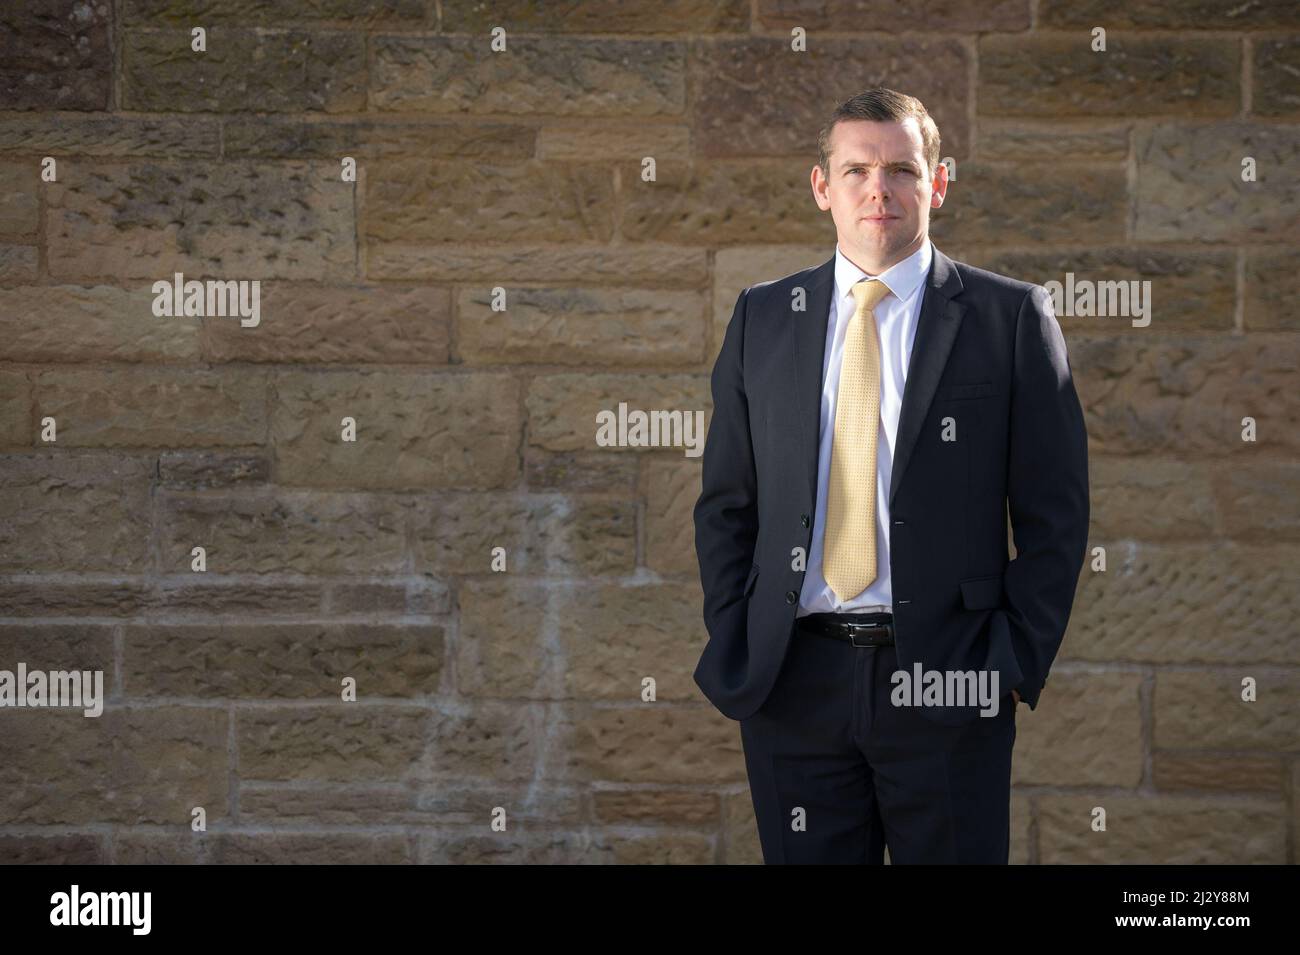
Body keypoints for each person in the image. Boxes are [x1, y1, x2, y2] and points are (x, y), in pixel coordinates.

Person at [692, 87, 1090, 864]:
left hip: (949, 681)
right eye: (857, 170)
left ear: (937, 183)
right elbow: (726, 504)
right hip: (794, 683)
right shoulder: (763, 318)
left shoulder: (1009, 319)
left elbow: (1056, 514)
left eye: (903, 169)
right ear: (822, 187)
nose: (880, 188)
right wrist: (738, 631)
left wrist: (1006, 661)